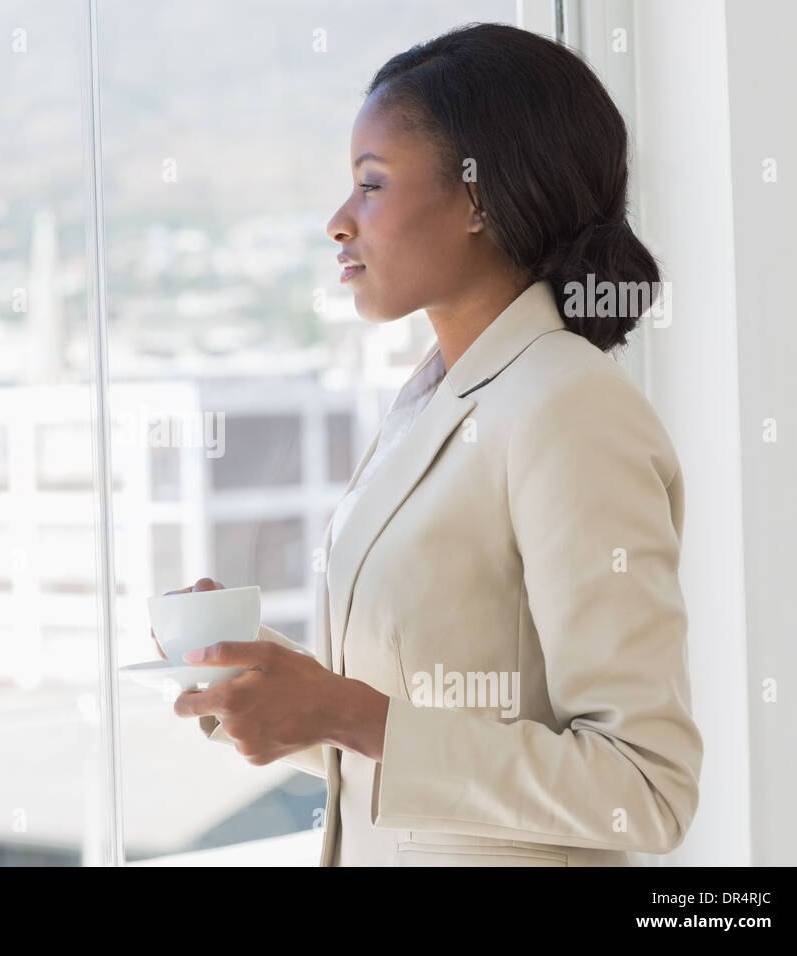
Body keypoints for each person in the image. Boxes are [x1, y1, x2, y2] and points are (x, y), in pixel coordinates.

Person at [153, 22, 702, 867]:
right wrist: (271, 690)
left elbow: (647, 790)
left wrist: (342, 711)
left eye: (371, 186)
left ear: (480, 198)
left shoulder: (568, 407)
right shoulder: (433, 401)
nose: (338, 223)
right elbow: (415, 756)